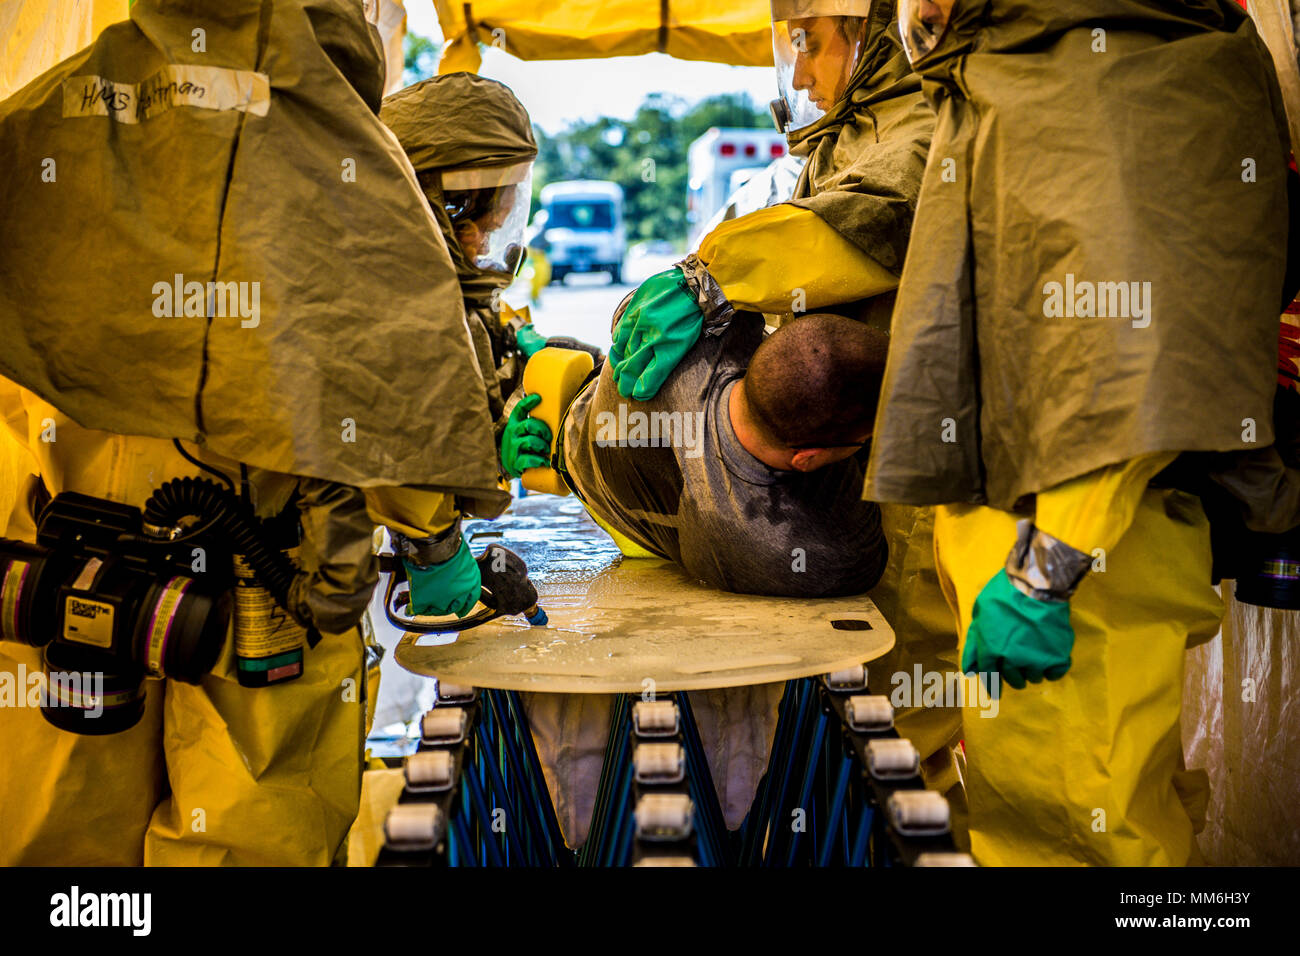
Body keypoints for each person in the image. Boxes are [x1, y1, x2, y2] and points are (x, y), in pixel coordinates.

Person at [0, 0, 506, 865]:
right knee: (246, 833)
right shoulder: (345, 163)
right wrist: (433, 541)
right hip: (261, 579)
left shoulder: (45, 115)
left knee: (63, 829)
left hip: (64, 559)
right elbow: (383, 387)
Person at [867, 0, 1295, 865]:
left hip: (1081, 553)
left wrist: (1045, 570)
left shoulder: (1104, 72)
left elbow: (1132, 350)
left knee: (1079, 833)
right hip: (1055, 542)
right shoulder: (1048, 58)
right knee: (1092, 816)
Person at [599, 0, 965, 822]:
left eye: (808, 44)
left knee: (903, 734)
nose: (796, 73)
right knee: (867, 728)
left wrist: (710, 275)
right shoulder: (853, 132)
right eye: (785, 47)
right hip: (863, 469)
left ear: (868, 31)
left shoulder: (919, 128)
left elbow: (857, 224)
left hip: (913, 483)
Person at [506, 312, 889, 598]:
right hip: (606, 496)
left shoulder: (699, 321)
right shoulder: (782, 544)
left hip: (591, 407)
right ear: (806, 459)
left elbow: (638, 306)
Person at [380, 73, 547, 425]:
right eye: (472, 228)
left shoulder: (460, 301)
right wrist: (492, 448)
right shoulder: (388, 312)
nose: (484, 245)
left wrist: (540, 355)